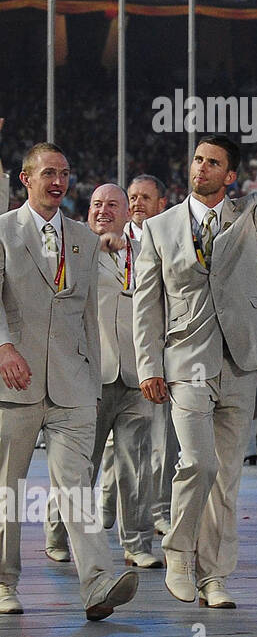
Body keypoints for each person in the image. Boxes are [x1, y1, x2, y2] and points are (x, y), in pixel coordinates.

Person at [133, 86, 257, 607]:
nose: (201, 168)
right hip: (185, 361)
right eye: (197, 160)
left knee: (228, 477)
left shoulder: (250, 217)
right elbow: (146, 305)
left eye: (212, 163)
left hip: (240, 362)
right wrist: (149, 364)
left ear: (230, 175)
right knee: (199, 464)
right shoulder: (160, 228)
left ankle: (214, 576)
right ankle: (176, 551)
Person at [0, 144, 139, 620]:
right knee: (8, 489)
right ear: (25, 178)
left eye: (64, 173)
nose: (57, 181)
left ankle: (98, 582)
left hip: (73, 386)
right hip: (13, 381)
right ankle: (3, 583)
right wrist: (2, 347)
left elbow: (85, 315)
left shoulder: (82, 238)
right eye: (47, 173)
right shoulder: (3, 231)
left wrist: (91, 383)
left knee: (76, 484)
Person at [46, 185, 160, 570]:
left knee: (135, 465)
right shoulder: (74, 250)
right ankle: (57, 533)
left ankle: (138, 543)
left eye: (112, 205)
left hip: (138, 377)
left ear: (129, 212)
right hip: (86, 378)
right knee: (80, 466)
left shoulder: (147, 254)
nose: (102, 211)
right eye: (96, 204)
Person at [125, 174, 175, 538]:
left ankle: (161, 511)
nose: (136, 203)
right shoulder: (107, 242)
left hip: (160, 357)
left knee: (163, 444)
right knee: (119, 451)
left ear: (162, 204)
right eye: (132, 197)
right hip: (117, 359)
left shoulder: (173, 240)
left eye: (145, 197)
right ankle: (109, 513)